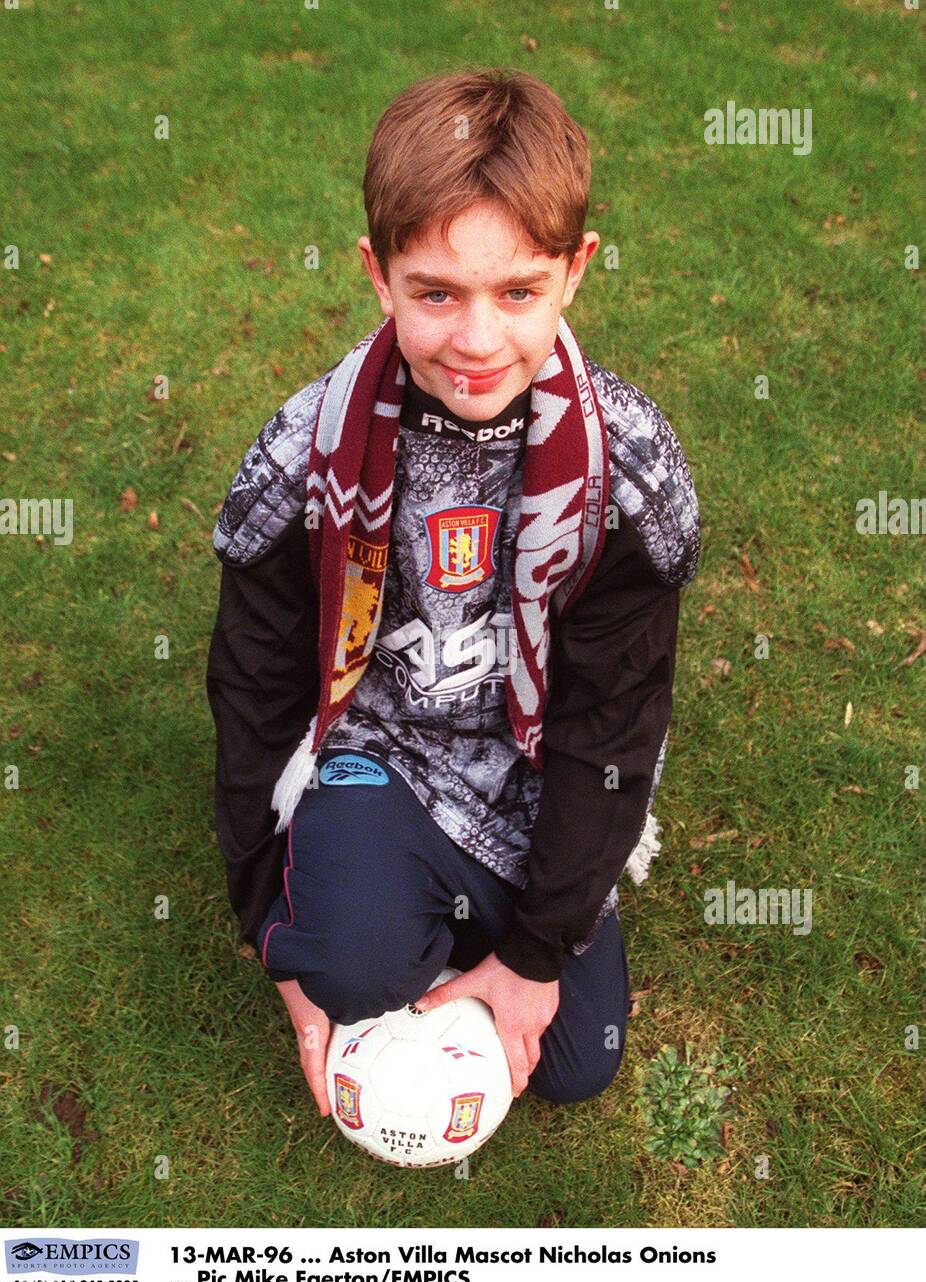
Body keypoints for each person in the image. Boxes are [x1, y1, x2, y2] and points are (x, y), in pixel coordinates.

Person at [205, 67, 700, 1120]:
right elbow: (251, 687)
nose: (476, 341)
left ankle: (474, 912)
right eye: (435, 292)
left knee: (576, 1061)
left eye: (516, 291)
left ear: (574, 271)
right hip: (382, 747)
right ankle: (371, 893)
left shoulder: (630, 473)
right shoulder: (302, 457)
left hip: (534, 765)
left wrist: (534, 952)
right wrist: (274, 937)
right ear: (377, 275)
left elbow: (612, 722)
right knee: (345, 964)